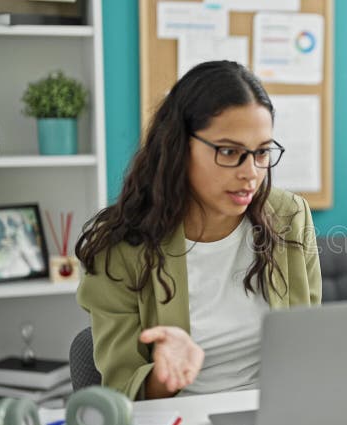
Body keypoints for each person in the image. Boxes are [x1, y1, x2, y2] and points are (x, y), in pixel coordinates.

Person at [75, 61, 321, 400]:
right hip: (179, 424)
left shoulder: (289, 216)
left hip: (280, 414)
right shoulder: (120, 246)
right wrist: (165, 376)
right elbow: (121, 389)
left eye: (262, 152)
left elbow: (309, 342)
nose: (250, 172)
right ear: (179, 146)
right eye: (229, 151)